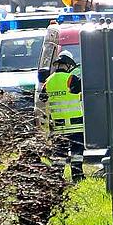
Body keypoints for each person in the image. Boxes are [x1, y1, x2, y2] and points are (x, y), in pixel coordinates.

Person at [40, 51, 84, 181]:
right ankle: (77, 176)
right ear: (68, 65)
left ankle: (57, 179)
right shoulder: (71, 79)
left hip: (59, 126)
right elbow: (82, 88)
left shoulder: (48, 82)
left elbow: (42, 98)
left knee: (59, 154)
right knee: (77, 152)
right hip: (76, 124)